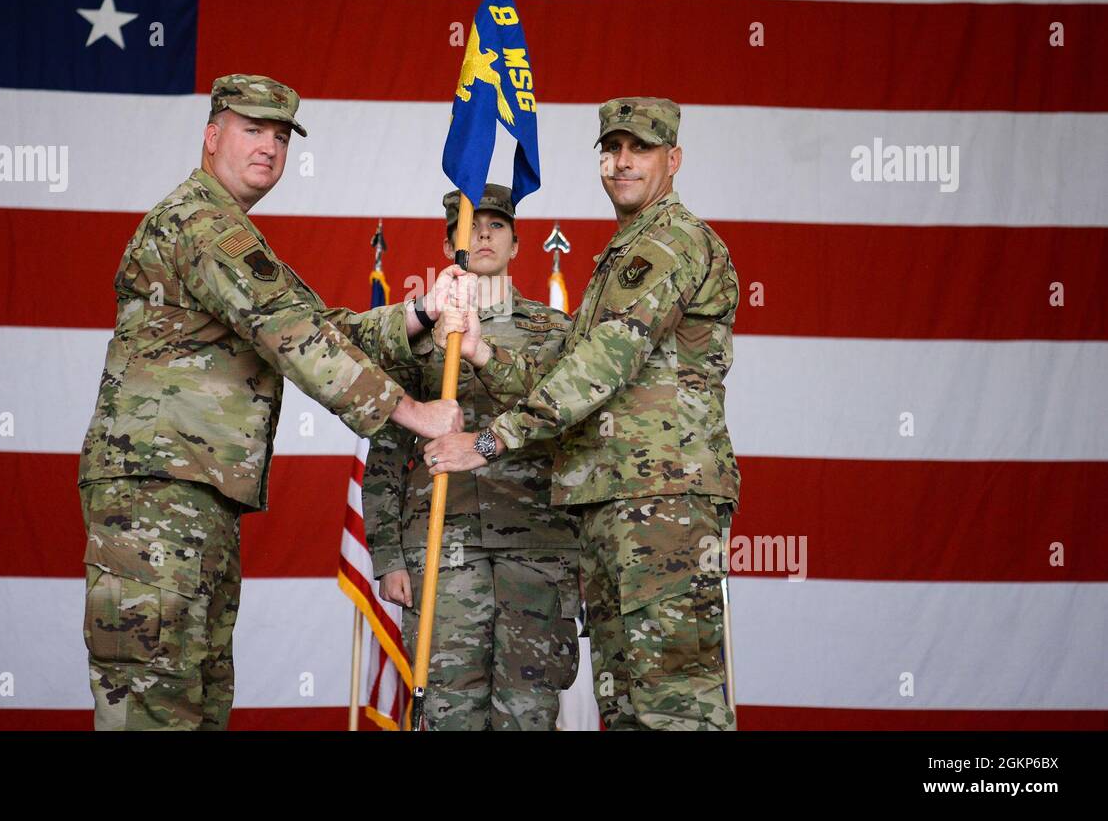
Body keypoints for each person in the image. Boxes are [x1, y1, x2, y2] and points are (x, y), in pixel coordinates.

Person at [77, 73, 467, 730]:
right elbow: (291, 336)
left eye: (281, 137)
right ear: (211, 136)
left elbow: (316, 328)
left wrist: (420, 315)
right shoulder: (203, 225)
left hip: (189, 499)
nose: (269, 147)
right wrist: (413, 413)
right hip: (159, 499)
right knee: (154, 708)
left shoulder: (227, 234)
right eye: (252, 130)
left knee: (193, 707)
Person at [424, 98, 741, 730]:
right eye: (612, 149)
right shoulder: (621, 254)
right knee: (625, 704)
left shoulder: (670, 242)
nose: (622, 162)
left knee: (673, 704)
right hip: (612, 501)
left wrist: (487, 443)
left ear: (672, 159)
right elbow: (561, 374)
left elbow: (602, 365)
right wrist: (484, 351)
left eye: (640, 149)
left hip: (662, 501)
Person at [363, 186, 580, 730]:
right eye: (470, 226)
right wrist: (388, 555)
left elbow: (571, 427)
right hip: (442, 545)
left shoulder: (555, 333)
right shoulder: (416, 336)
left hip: (536, 547)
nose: (482, 235)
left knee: (528, 713)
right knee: (447, 709)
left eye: (496, 226)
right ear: (448, 245)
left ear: (515, 244)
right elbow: (387, 450)